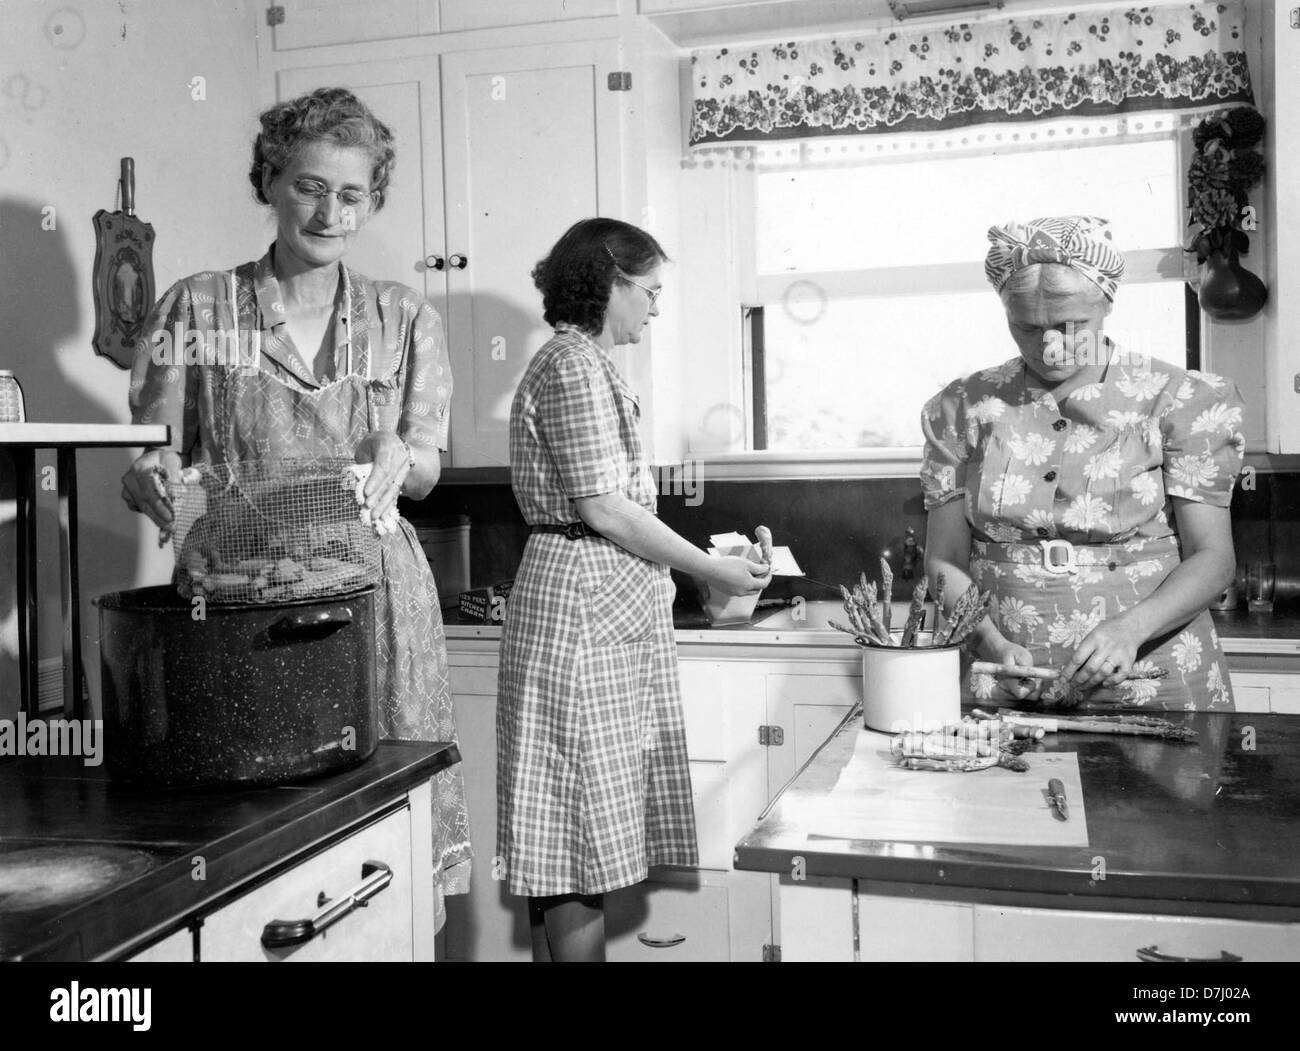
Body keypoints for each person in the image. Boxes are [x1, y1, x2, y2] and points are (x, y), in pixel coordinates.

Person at [120, 87, 471, 923]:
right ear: (271, 180)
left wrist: (398, 451)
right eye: (310, 186)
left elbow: (423, 467)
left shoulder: (404, 314)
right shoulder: (197, 306)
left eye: (353, 194)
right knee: (257, 845)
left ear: (373, 202)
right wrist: (150, 478)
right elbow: (154, 451)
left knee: (389, 843)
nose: (330, 211)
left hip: (377, 603)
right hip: (242, 598)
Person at [497, 217, 771, 961]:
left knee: (577, 823)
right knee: (574, 825)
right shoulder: (572, 367)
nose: (655, 306)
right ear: (609, 281)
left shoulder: (589, 364)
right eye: (648, 291)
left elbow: (617, 512)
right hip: (579, 607)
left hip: (597, 603)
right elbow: (605, 507)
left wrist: (704, 570)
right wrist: (708, 568)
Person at [920, 216, 1245, 709]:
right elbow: (943, 560)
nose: (1050, 346)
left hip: (1154, 676)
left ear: (1107, 305)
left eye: (1072, 327)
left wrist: (1130, 630)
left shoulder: (1177, 398)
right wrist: (990, 643)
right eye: (1027, 327)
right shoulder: (963, 406)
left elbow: (1214, 559)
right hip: (1006, 682)